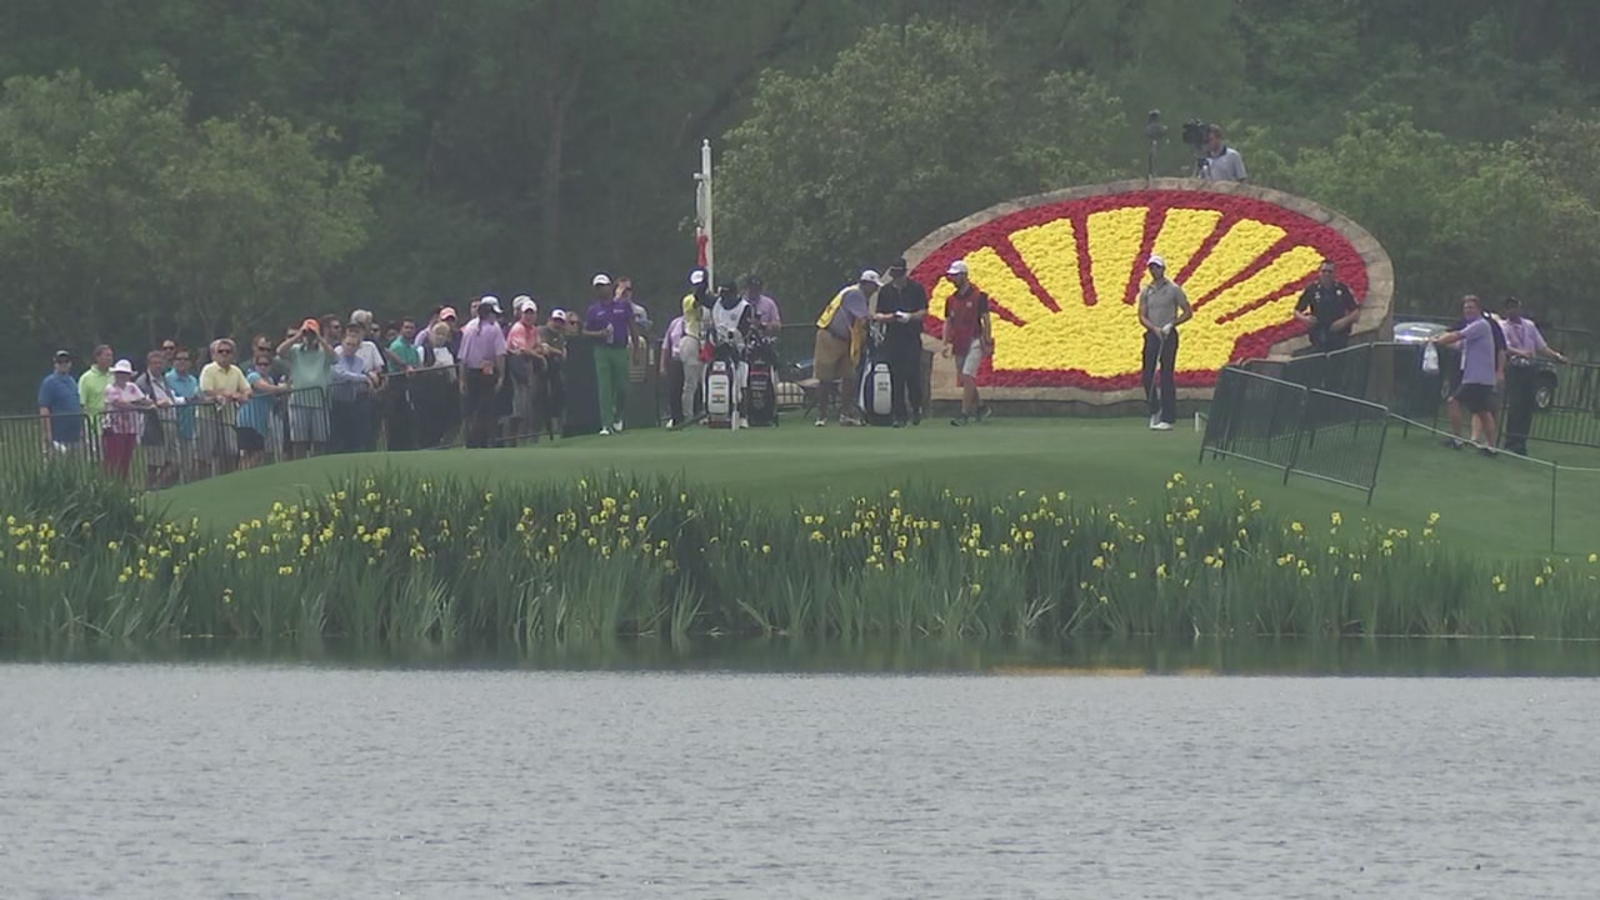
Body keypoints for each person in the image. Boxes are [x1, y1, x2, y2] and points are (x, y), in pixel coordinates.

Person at [1430, 295, 1501, 456]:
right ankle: (1491, 448)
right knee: (1483, 411)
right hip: (1477, 377)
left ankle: (1457, 440)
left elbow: (1456, 336)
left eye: (1471, 308)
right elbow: (1457, 344)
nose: (1467, 311)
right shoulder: (1473, 329)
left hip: (1478, 377)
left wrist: (1439, 341)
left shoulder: (1480, 325)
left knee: (1453, 401)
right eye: (1465, 308)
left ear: (1479, 309)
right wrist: (1436, 340)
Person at [1499, 297, 1568, 457]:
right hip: (1514, 367)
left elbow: (1541, 346)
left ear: (1519, 308)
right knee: (1516, 405)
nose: (1512, 310)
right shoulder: (1503, 327)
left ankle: (1521, 443)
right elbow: (1505, 347)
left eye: (1514, 307)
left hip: (1530, 367)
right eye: (1508, 308)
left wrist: (1557, 356)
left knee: (1527, 406)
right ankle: (1511, 442)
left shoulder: (1529, 326)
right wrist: (1520, 352)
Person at [813, 270, 880, 426]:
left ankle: (846, 414)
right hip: (830, 337)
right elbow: (864, 316)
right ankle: (821, 416)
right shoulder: (855, 294)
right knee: (825, 377)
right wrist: (885, 317)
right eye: (874, 286)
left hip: (847, 340)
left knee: (849, 376)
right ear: (866, 284)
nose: (876, 290)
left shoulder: (858, 294)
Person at [1137, 254, 1193, 431]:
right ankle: (1155, 409)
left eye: (1157, 267)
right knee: (1147, 375)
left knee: (1166, 376)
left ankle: (1168, 417)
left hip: (1169, 335)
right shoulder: (1146, 291)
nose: (1154, 271)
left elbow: (1187, 312)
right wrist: (1154, 329)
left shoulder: (1174, 289)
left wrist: (1171, 324)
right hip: (1153, 334)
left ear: (1163, 269)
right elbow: (1142, 315)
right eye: (1151, 268)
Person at [873, 258, 929, 426]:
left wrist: (910, 317)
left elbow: (923, 311)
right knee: (896, 378)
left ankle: (916, 406)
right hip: (893, 338)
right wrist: (889, 318)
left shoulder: (916, 289)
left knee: (912, 375)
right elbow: (878, 314)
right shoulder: (886, 291)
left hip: (911, 336)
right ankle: (899, 415)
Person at [938, 260, 995, 427]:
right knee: (965, 377)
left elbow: (986, 320)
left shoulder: (979, 296)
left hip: (975, 339)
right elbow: (948, 322)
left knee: (968, 375)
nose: (952, 279)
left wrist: (987, 340)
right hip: (959, 341)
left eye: (955, 276)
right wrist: (945, 342)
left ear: (964, 275)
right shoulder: (951, 300)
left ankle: (964, 413)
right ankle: (981, 407)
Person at [583, 273, 638, 435]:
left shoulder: (623, 306)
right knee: (605, 388)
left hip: (620, 349)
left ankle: (618, 416)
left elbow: (633, 328)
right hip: (602, 350)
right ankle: (606, 424)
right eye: (597, 288)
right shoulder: (594, 310)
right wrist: (599, 334)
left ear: (610, 287)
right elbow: (585, 331)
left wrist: (636, 350)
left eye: (603, 286)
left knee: (622, 387)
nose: (601, 290)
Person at [278, 319, 335, 459]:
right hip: (298, 402)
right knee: (299, 441)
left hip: (319, 402)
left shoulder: (324, 352)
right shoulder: (296, 351)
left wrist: (319, 337)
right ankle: (300, 467)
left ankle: (318, 465)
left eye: (311, 334)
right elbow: (280, 351)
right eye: (307, 334)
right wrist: (298, 336)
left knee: (320, 440)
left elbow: (334, 357)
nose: (309, 337)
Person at [458, 295, 508, 448]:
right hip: (487, 374)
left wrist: (462, 379)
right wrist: (501, 376)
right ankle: (481, 440)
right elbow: (500, 354)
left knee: (473, 409)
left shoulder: (469, 328)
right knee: (485, 410)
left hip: (472, 373)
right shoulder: (494, 328)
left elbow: (463, 357)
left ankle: (472, 441)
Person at [199, 338, 252, 473]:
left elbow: (247, 388)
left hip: (228, 418)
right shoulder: (208, 369)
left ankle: (227, 478)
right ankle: (200, 481)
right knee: (205, 455)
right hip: (208, 418)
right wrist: (232, 395)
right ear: (214, 354)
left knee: (231, 451)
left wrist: (243, 395)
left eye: (228, 351)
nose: (224, 354)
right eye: (220, 351)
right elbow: (207, 390)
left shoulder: (236, 370)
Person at [709, 280, 758, 428]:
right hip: (718, 348)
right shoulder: (717, 304)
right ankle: (715, 413)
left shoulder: (744, 307)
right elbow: (701, 297)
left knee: (740, 382)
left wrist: (733, 338)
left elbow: (744, 330)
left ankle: (743, 416)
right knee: (713, 377)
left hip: (738, 349)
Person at [329, 329, 382, 454]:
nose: (350, 348)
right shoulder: (334, 359)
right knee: (337, 437)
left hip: (353, 402)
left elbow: (362, 372)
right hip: (337, 401)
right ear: (342, 343)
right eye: (348, 344)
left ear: (358, 347)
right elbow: (342, 375)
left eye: (353, 345)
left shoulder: (359, 361)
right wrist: (365, 378)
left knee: (355, 436)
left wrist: (368, 374)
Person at [135, 350, 180, 488]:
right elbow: (139, 401)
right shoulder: (142, 382)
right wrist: (155, 404)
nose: (158, 366)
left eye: (160, 363)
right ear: (148, 364)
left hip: (170, 421)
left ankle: (158, 487)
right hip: (154, 424)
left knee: (175, 461)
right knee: (154, 463)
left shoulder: (164, 380)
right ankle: (149, 489)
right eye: (155, 363)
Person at [1294, 260, 1361, 353]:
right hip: (1319, 336)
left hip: (1339, 336)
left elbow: (1355, 312)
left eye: (1330, 271)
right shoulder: (1312, 289)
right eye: (1324, 271)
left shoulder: (1342, 289)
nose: (1326, 274)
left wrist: (1343, 322)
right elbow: (1297, 311)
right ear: (1319, 272)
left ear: (1335, 273)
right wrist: (1305, 319)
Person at [102, 359, 150, 481]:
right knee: (114, 460)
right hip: (114, 429)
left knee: (126, 459)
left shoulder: (132, 387)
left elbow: (143, 400)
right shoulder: (110, 388)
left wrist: (146, 404)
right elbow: (121, 404)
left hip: (131, 428)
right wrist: (139, 406)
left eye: (125, 374)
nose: (122, 376)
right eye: (120, 373)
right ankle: (111, 484)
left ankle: (124, 485)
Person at [506, 296, 545, 445]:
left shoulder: (533, 330)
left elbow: (538, 346)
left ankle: (525, 440)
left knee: (528, 405)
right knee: (519, 407)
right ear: (521, 314)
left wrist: (540, 350)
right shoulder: (518, 328)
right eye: (526, 313)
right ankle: (512, 441)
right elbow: (523, 349)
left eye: (531, 313)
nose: (529, 316)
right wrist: (539, 357)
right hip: (516, 369)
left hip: (526, 369)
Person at [241, 351, 290, 468]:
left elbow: (273, 400)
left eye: (266, 364)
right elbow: (266, 388)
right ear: (255, 365)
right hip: (248, 420)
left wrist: (284, 392)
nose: (263, 367)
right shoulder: (253, 376)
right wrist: (283, 388)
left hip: (261, 422)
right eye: (260, 364)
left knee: (259, 453)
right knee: (249, 453)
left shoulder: (270, 380)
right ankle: (243, 476)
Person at [677, 270, 712, 429]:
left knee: (705, 381)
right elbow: (697, 302)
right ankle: (688, 417)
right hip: (691, 340)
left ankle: (706, 413)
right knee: (690, 383)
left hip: (706, 342)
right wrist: (702, 290)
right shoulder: (688, 300)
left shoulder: (710, 300)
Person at [165, 348, 205, 479]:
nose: (182, 362)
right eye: (179, 359)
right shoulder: (167, 379)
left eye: (185, 359)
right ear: (173, 362)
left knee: (188, 465)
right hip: (172, 425)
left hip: (190, 425)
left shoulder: (193, 380)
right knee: (174, 463)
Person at [38, 350, 86, 458]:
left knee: (75, 466)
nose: (63, 364)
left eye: (66, 361)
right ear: (55, 364)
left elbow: (78, 405)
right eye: (60, 361)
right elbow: (44, 409)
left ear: (70, 363)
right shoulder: (49, 382)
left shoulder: (72, 381)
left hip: (75, 435)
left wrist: (82, 430)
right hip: (58, 435)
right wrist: (48, 434)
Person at [78, 344, 115, 458]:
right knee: (96, 458)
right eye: (106, 355)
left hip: (114, 425)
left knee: (113, 458)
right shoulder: (86, 378)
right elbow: (81, 404)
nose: (110, 358)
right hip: (94, 427)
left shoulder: (114, 375)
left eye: (111, 356)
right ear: (98, 358)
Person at [539, 310, 571, 438]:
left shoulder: (561, 336)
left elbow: (564, 355)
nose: (557, 324)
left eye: (560, 322)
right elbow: (544, 348)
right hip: (541, 371)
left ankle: (557, 428)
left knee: (559, 397)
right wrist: (558, 352)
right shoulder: (542, 331)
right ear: (549, 320)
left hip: (556, 371)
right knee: (542, 400)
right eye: (555, 321)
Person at [661, 313, 687, 428]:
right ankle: (676, 417)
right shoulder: (675, 323)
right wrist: (662, 365)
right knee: (674, 390)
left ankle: (690, 415)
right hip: (676, 359)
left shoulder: (698, 322)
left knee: (690, 388)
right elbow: (666, 344)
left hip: (692, 359)